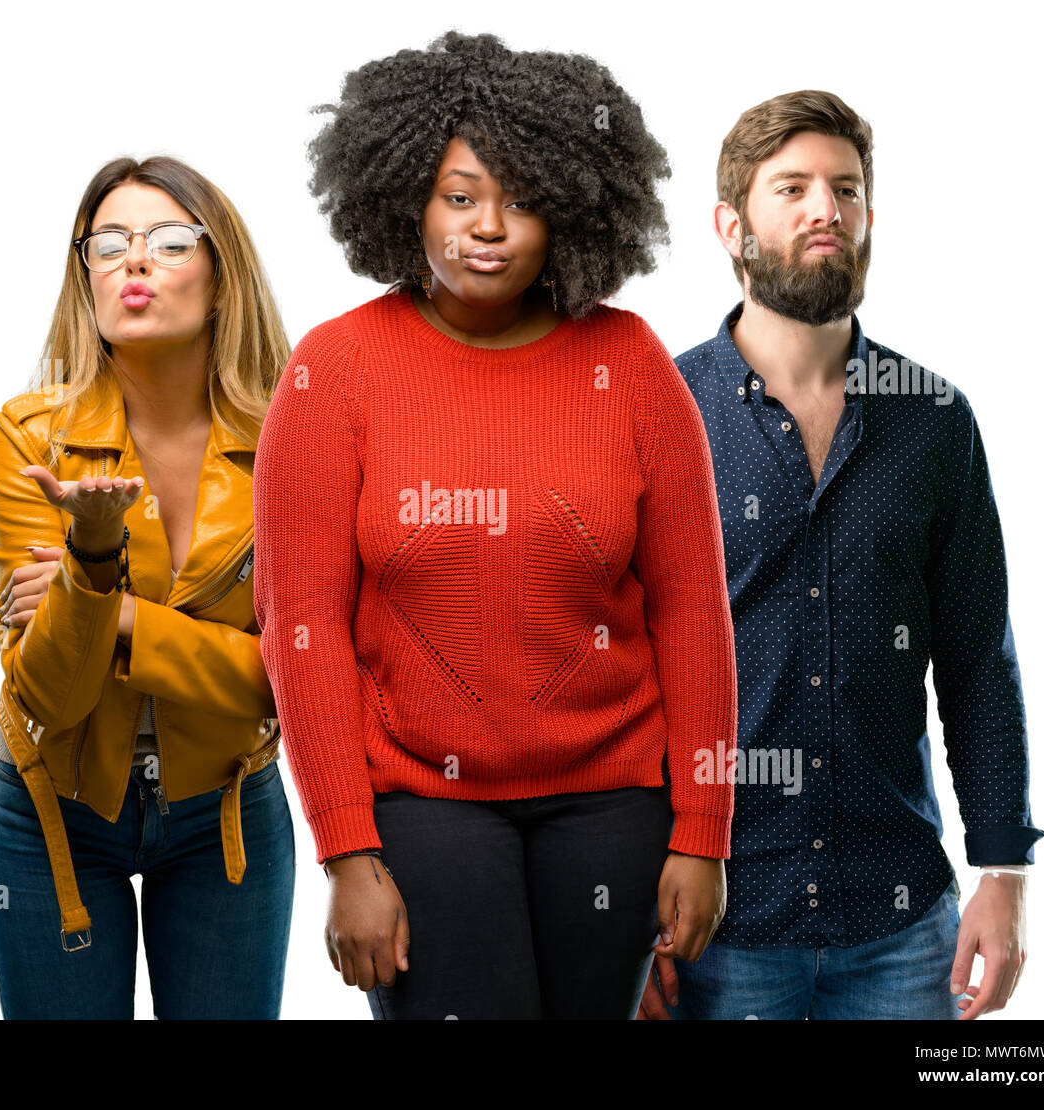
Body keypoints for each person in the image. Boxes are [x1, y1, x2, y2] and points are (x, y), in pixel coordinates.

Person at [253, 30, 738, 1020]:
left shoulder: (631, 363)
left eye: (521, 199)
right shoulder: (334, 371)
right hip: (421, 805)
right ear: (405, 200)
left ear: (569, 208)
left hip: (613, 805)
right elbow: (301, 626)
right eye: (460, 194)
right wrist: (344, 849)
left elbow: (692, 613)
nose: (489, 227)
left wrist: (704, 831)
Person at [641, 90, 1044, 1021]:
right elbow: (615, 672)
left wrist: (1004, 868)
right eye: (793, 189)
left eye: (846, 189)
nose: (826, 209)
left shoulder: (935, 420)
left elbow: (982, 662)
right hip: (715, 922)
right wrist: (625, 907)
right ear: (730, 226)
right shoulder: (659, 412)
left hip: (902, 928)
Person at [0, 155, 296, 1018]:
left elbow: (295, 683)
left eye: (168, 240)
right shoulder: (28, 437)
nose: (134, 260)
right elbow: (51, 692)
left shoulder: (292, 443)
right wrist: (92, 549)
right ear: (86, 278)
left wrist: (107, 611)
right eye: (108, 243)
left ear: (222, 276)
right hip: (50, 814)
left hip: (227, 815)